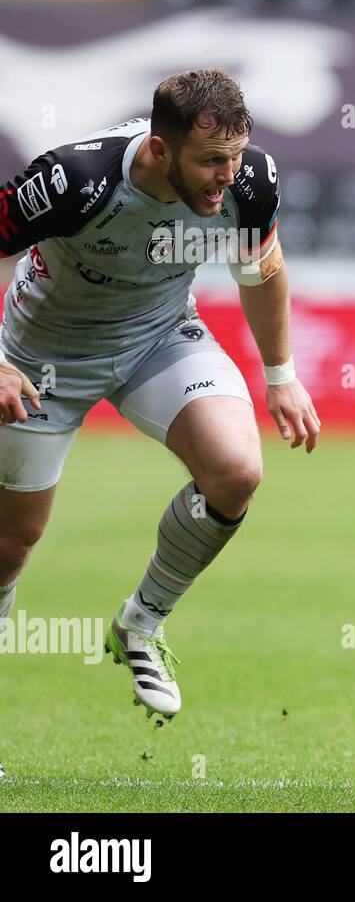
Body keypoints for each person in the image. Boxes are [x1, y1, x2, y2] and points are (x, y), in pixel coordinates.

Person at [0, 68, 320, 721]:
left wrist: (281, 375)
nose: (226, 175)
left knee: (236, 471)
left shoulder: (250, 181)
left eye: (234, 156)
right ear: (158, 149)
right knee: (12, 543)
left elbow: (263, 270)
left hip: (160, 338)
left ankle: (141, 623)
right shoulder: (75, 179)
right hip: (41, 359)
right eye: (210, 161)